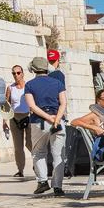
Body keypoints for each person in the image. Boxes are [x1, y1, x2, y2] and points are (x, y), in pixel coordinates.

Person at [22, 56, 68, 197]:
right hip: (58, 121)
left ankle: (42, 182)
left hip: (40, 122)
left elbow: (32, 106)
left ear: (33, 69)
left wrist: (47, 118)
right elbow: (63, 103)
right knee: (58, 154)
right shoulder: (57, 83)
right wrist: (57, 119)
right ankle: (58, 186)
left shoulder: (29, 85)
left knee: (39, 152)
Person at [5, 64, 30, 178]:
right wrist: (5, 120)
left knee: (30, 143)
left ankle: (38, 166)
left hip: (28, 116)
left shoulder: (28, 86)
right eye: (13, 73)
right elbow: (6, 104)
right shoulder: (10, 88)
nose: (16, 75)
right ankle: (20, 169)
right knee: (18, 147)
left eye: (18, 73)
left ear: (23, 73)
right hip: (15, 117)